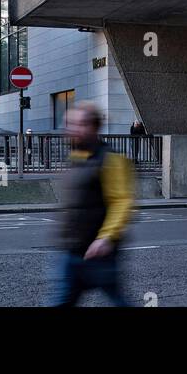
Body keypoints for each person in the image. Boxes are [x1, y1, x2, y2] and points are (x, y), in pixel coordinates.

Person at [52, 103, 134, 306]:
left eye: (80, 124)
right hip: (71, 251)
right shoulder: (75, 157)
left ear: (94, 127)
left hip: (98, 254)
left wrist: (106, 237)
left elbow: (122, 201)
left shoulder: (112, 159)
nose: (73, 129)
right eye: (69, 124)